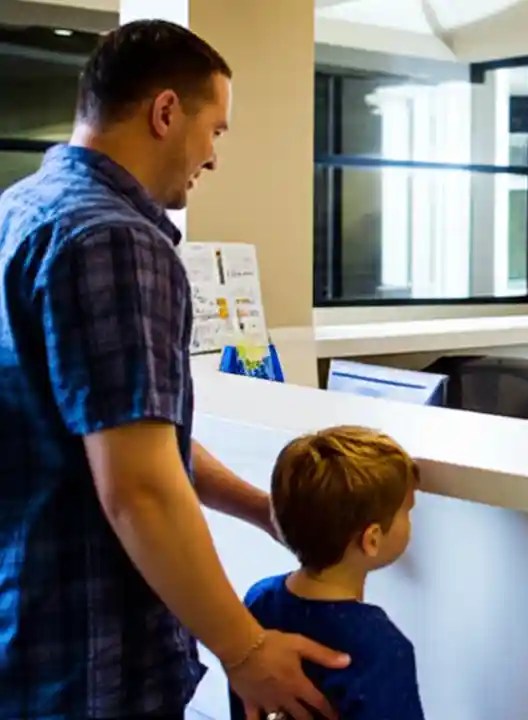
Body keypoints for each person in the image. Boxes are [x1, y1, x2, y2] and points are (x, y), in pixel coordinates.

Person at [0, 20, 347, 720]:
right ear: (165, 112)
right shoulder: (117, 240)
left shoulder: (20, 209)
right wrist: (247, 653)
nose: (214, 156)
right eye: (215, 129)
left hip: (27, 634)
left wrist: (260, 508)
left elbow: (117, 429)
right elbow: (140, 489)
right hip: (89, 656)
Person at [230, 426, 426, 720]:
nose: (409, 519)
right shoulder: (379, 647)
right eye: (407, 510)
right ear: (372, 539)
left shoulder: (258, 600)